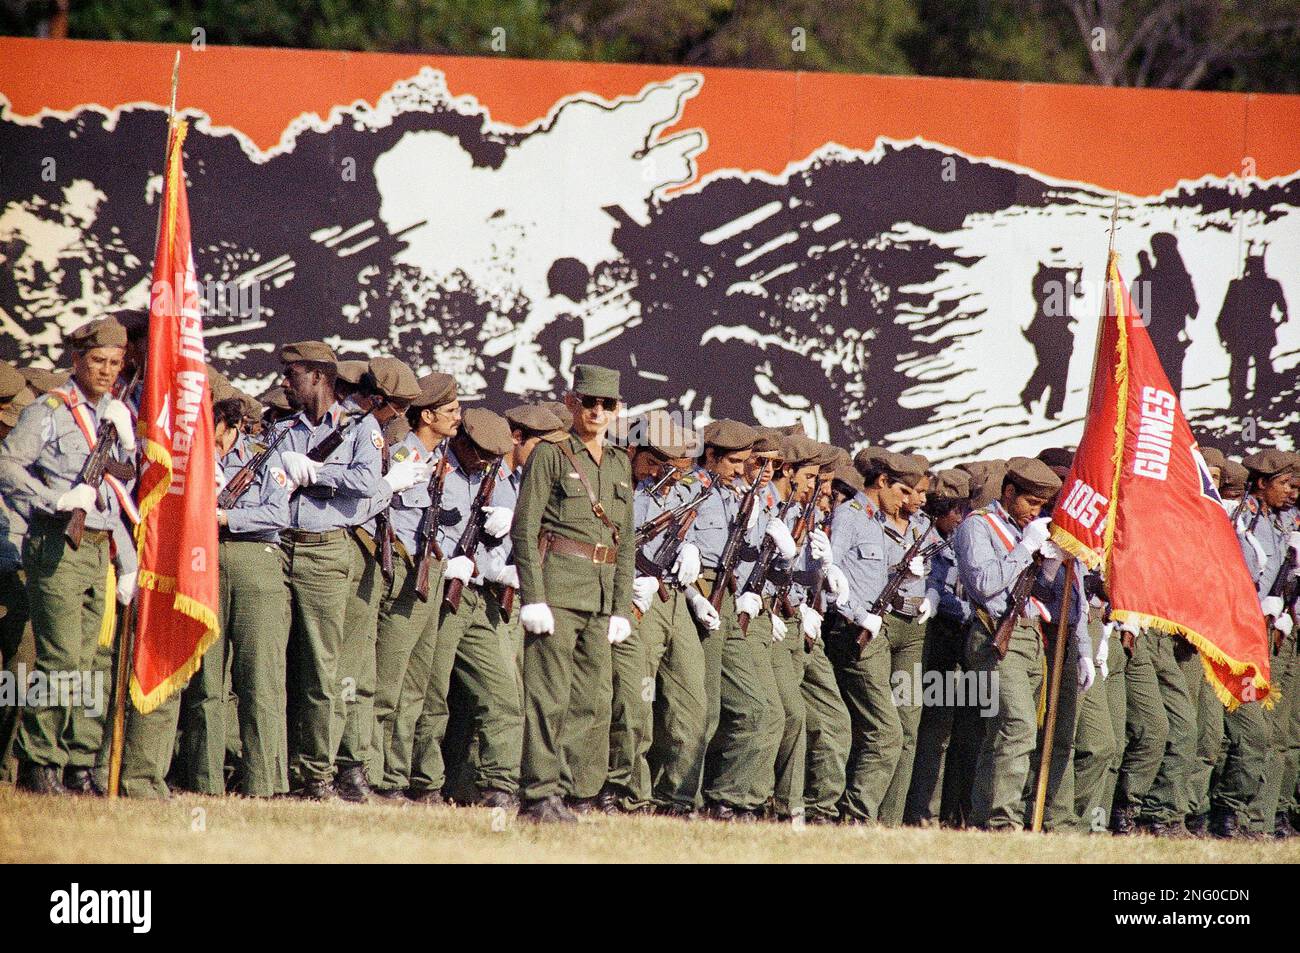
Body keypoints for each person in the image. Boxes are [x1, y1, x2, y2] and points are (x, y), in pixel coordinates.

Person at [0, 317, 138, 795]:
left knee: (87, 661)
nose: (106, 371)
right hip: (57, 543)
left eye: (115, 364)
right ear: (76, 360)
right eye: (97, 361)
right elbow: (7, 463)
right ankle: (40, 764)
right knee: (59, 660)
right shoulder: (49, 410)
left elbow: (121, 490)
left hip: (99, 548)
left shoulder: (114, 416)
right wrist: (51, 500)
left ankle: (76, 763)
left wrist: (130, 442)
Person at [510, 364, 634, 823]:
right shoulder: (552, 455)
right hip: (558, 591)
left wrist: (621, 606)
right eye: (589, 403)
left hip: (600, 601)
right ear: (572, 403)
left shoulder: (620, 463)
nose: (598, 411)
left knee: (591, 700)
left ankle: (568, 791)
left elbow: (626, 542)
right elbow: (525, 529)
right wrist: (533, 596)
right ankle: (538, 795)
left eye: (608, 405)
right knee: (547, 697)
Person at [953, 456, 1093, 831]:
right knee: (1016, 727)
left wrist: (1050, 563)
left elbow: (1038, 590)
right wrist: (1025, 549)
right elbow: (984, 584)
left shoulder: (1024, 529)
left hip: (1031, 636)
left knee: (1005, 734)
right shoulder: (978, 527)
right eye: (1030, 502)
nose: (1036, 511)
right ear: (1009, 491)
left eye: (1041, 505)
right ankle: (1003, 822)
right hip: (997, 635)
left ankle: (986, 817)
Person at [275, 341, 384, 799]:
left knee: (323, 669)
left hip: (325, 551)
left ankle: (317, 772)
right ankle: (272, 771)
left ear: (319, 376)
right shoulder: (285, 429)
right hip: (280, 548)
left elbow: (366, 481)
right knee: (276, 665)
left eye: (293, 374)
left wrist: (316, 472)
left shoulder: (362, 428)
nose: (285, 382)